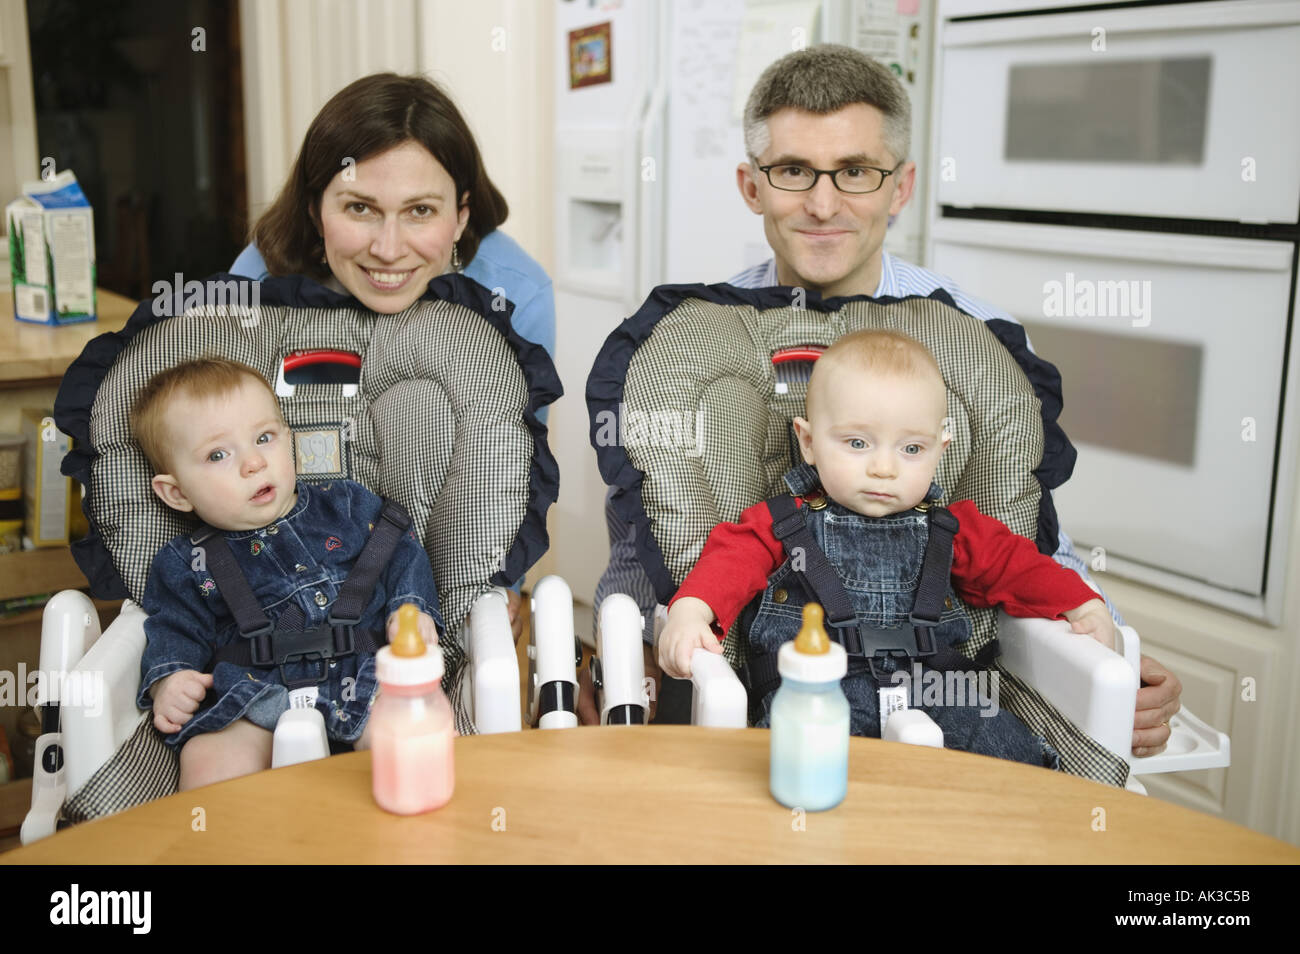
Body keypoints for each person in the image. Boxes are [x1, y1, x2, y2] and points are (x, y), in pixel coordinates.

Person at [587, 44, 1182, 758]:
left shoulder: (970, 341)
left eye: (857, 172)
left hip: (941, 681)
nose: (823, 202)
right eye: (793, 170)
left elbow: (1027, 532)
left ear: (899, 188)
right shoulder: (702, 339)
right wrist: (619, 656)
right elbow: (648, 523)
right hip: (792, 683)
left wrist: (1112, 653)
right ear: (752, 186)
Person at [659, 330, 1118, 767]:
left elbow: (1018, 568)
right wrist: (693, 612)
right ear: (809, 442)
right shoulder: (783, 524)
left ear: (941, 449)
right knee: (793, 759)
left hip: (940, 689)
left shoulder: (952, 529)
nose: (884, 468)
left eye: (912, 449)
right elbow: (730, 560)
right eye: (857, 443)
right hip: (817, 692)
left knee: (1012, 755)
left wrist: (1080, 602)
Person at [229, 71, 553, 636]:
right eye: (359, 208)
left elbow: (504, 470)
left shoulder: (516, 291)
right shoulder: (258, 281)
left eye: (421, 211)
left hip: (445, 557)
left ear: (463, 213)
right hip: (285, 564)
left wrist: (492, 592)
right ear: (314, 209)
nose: (388, 248)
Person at [132, 357, 441, 790]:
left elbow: (400, 551)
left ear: (289, 440)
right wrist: (171, 677)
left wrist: (410, 608)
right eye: (218, 454)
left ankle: (410, 840)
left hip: (366, 676)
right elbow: (174, 626)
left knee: (409, 736)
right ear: (177, 492)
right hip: (253, 694)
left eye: (264, 437)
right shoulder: (188, 563)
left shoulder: (347, 505)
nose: (254, 463)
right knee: (208, 760)